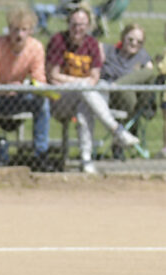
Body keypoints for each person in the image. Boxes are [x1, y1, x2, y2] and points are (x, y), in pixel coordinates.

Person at [45, 2, 139, 173]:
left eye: (81, 25)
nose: (77, 29)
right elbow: (53, 76)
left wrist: (82, 85)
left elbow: (95, 77)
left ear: (88, 26)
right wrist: (79, 83)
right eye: (73, 24)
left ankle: (86, 159)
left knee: (84, 108)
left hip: (85, 98)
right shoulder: (58, 41)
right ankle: (116, 129)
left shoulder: (92, 43)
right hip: (59, 100)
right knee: (84, 88)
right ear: (68, 24)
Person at [0, 4, 51, 168]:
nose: (18, 34)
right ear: (8, 29)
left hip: (14, 96)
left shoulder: (36, 48)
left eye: (23, 30)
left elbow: (39, 80)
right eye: (14, 29)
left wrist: (27, 87)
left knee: (42, 102)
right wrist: (7, 88)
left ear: (31, 31)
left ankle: (41, 154)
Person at [99, 23, 156, 155]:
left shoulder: (143, 57)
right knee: (125, 90)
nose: (134, 43)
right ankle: (126, 133)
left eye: (139, 42)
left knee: (147, 74)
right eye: (130, 39)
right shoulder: (110, 51)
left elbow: (149, 73)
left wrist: (118, 84)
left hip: (135, 102)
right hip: (110, 100)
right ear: (123, 37)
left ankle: (119, 85)